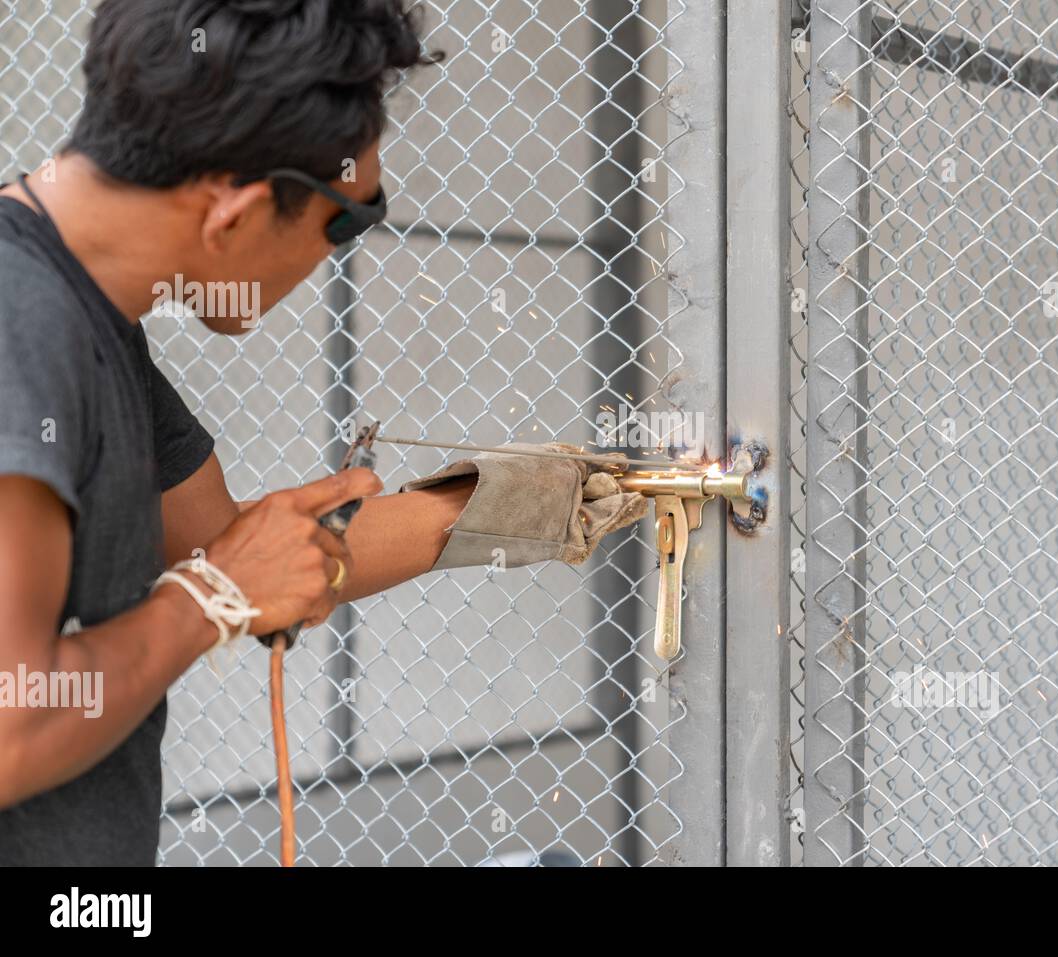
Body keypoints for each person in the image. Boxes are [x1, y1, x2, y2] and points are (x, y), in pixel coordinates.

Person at [0, 0, 644, 866]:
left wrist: (512, 503)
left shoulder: (84, 310)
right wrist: (210, 601)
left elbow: (223, 542)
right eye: (351, 216)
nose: (342, 249)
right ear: (235, 210)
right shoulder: (22, 327)